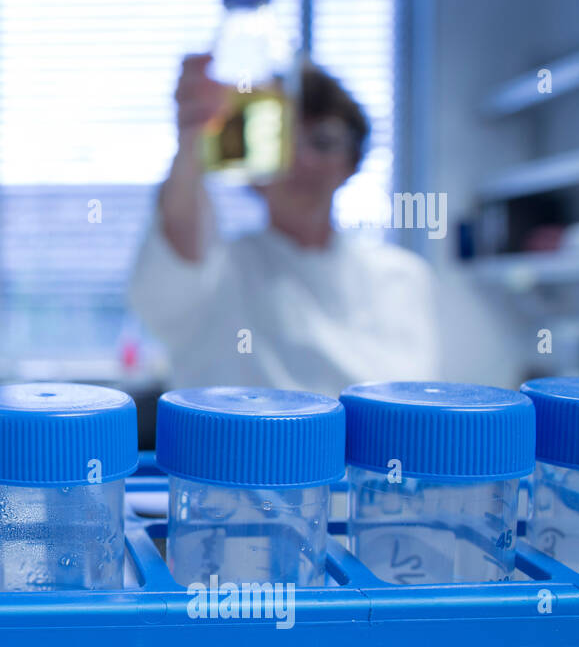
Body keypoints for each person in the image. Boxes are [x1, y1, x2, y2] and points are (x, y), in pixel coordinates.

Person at [129, 56, 453, 396]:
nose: (304, 160)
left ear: (352, 162)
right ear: (253, 165)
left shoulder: (403, 278)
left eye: (323, 142)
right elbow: (179, 232)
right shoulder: (216, 273)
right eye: (284, 141)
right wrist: (194, 137)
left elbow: (420, 405)